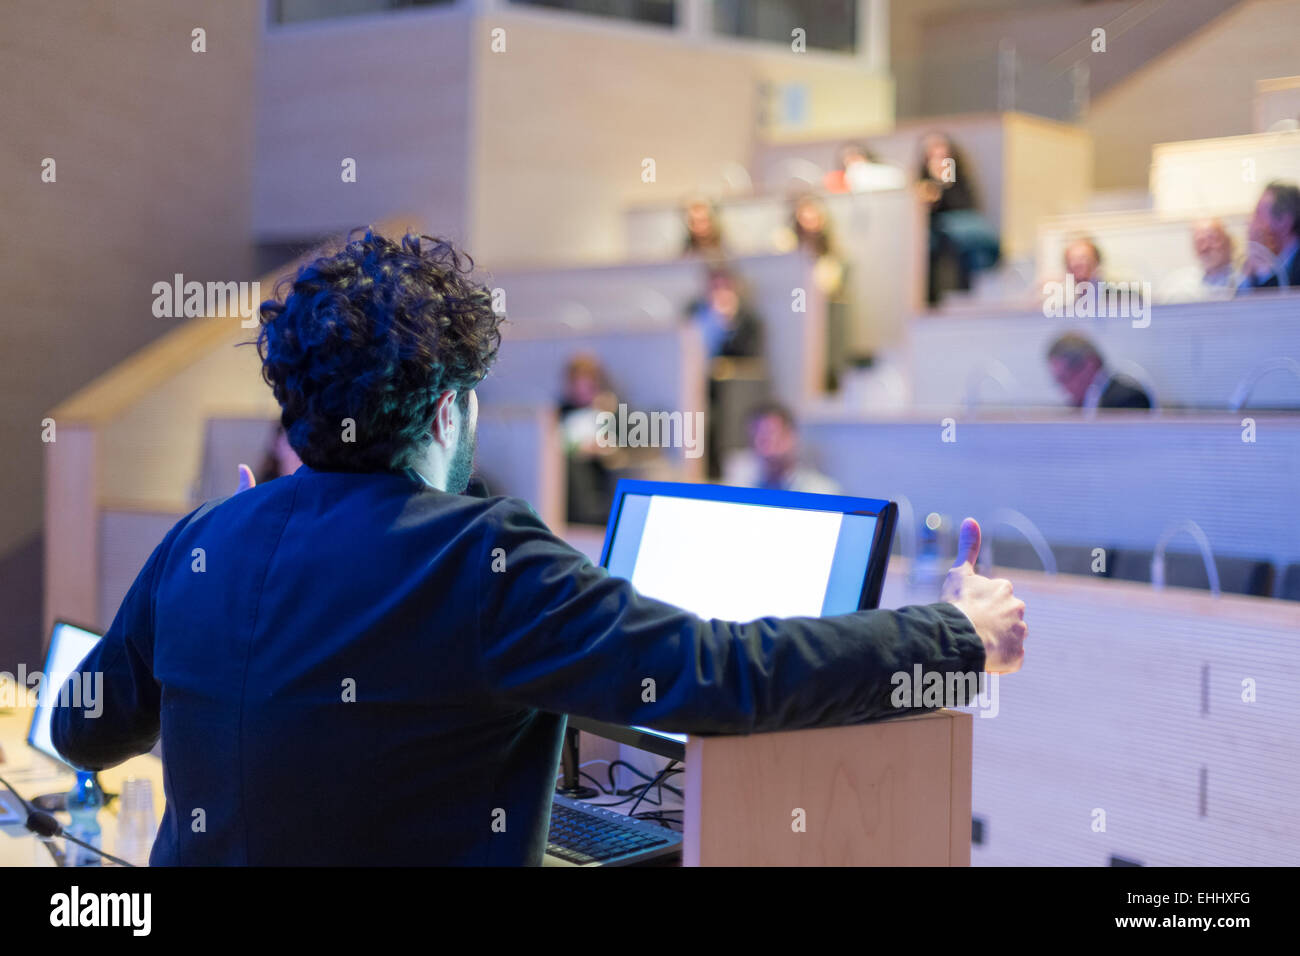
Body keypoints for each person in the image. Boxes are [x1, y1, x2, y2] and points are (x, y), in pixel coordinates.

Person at [51, 230, 1026, 866]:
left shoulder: (201, 539)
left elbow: (83, 728)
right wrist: (956, 630)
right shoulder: (479, 557)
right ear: (445, 411)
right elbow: (722, 675)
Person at [917, 132, 1000, 304]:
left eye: (942, 155)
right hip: (933, 231)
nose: (938, 160)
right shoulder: (921, 182)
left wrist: (942, 184)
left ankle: (971, 295)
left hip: (956, 228)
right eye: (932, 155)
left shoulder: (958, 178)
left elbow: (963, 207)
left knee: (976, 242)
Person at [723, 402, 840, 495]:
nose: (765, 449)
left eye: (770, 436)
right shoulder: (739, 487)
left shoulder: (823, 492)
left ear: (792, 436)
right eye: (756, 437)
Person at [557, 352, 619, 525]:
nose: (581, 390)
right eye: (576, 384)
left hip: (595, 473)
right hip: (567, 473)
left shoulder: (605, 410)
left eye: (587, 385)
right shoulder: (560, 411)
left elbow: (612, 446)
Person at [1047, 332, 1152, 410]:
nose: (1064, 389)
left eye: (1065, 378)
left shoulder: (1127, 399)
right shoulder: (1083, 403)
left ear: (1089, 365)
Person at [685, 266, 764, 360]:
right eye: (715, 287)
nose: (720, 292)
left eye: (726, 287)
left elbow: (745, 357)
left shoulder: (747, 321)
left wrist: (727, 324)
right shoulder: (694, 312)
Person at [1237, 180, 1300, 292]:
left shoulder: (1295, 267)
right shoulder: (1269, 260)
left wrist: (1264, 271)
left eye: (1258, 214)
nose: (1250, 223)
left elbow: (1281, 307)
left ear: (1284, 220)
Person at [1158, 219, 1240, 302]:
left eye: (1211, 239)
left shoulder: (1243, 281)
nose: (1205, 247)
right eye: (1200, 241)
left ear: (1228, 242)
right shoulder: (1177, 282)